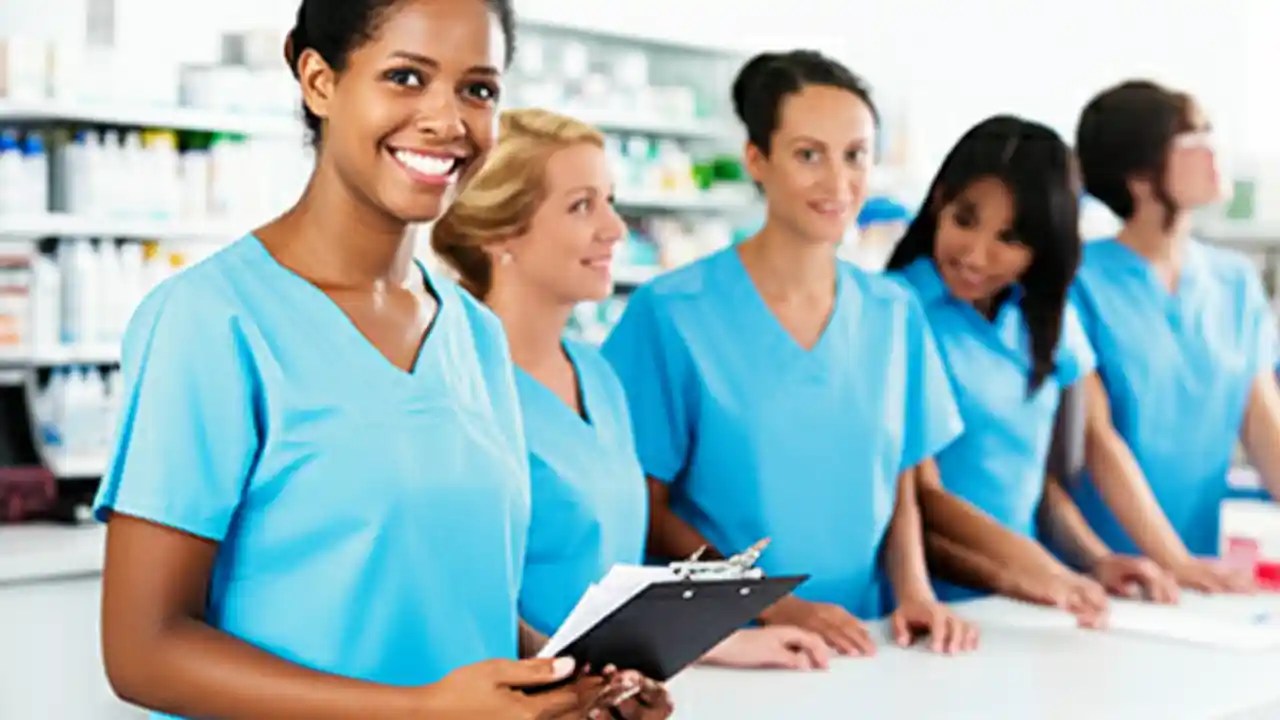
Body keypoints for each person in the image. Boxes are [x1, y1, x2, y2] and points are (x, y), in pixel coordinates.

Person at [93, 1, 649, 718]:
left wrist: (570, 686)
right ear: (319, 81)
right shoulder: (212, 321)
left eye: (478, 89)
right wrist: (419, 710)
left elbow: (459, 602)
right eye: (406, 77)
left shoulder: (476, 336)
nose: (448, 120)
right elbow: (144, 651)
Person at [601, 50, 979, 657]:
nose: (838, 182)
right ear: (757, 160)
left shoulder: (893, 311)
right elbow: (647, 509)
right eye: (809, 155)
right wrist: (768, 603)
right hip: (727, 649)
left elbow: (900, 481)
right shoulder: (672, 312)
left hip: (866, 641)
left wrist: (915, 591)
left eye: (855, 155)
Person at [431, 106, 832, 675]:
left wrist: (718, 642)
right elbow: (456, 601)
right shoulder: (455, 390)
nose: (615, 229)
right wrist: (570, 680)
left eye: (610, 201)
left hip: (610, 691)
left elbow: (607, 582)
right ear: (502, 234)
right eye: (581, 206)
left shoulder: (597, 376)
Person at [884, 115, 1180, 626]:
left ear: (1043, 246)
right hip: (926, 604)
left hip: (1021, 605)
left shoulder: (1043, 317)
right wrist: (1042, 571)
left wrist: (1095, 559)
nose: (976, 255)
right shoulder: (895, 307)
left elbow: (1035, 481)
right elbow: (924, 497)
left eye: (1009, 237)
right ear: (939, 203)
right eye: (964, 221)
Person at [1067, 79, 1280, 589]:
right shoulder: (1078, 282)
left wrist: (1187, 567)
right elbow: (1097, 439)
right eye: (1193, 140)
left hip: (1199, 577)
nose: (1214, 152)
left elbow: (1263, 426)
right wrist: (1173, 561)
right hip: (1105, 575)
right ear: (1140, 175)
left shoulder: (1233, 282)